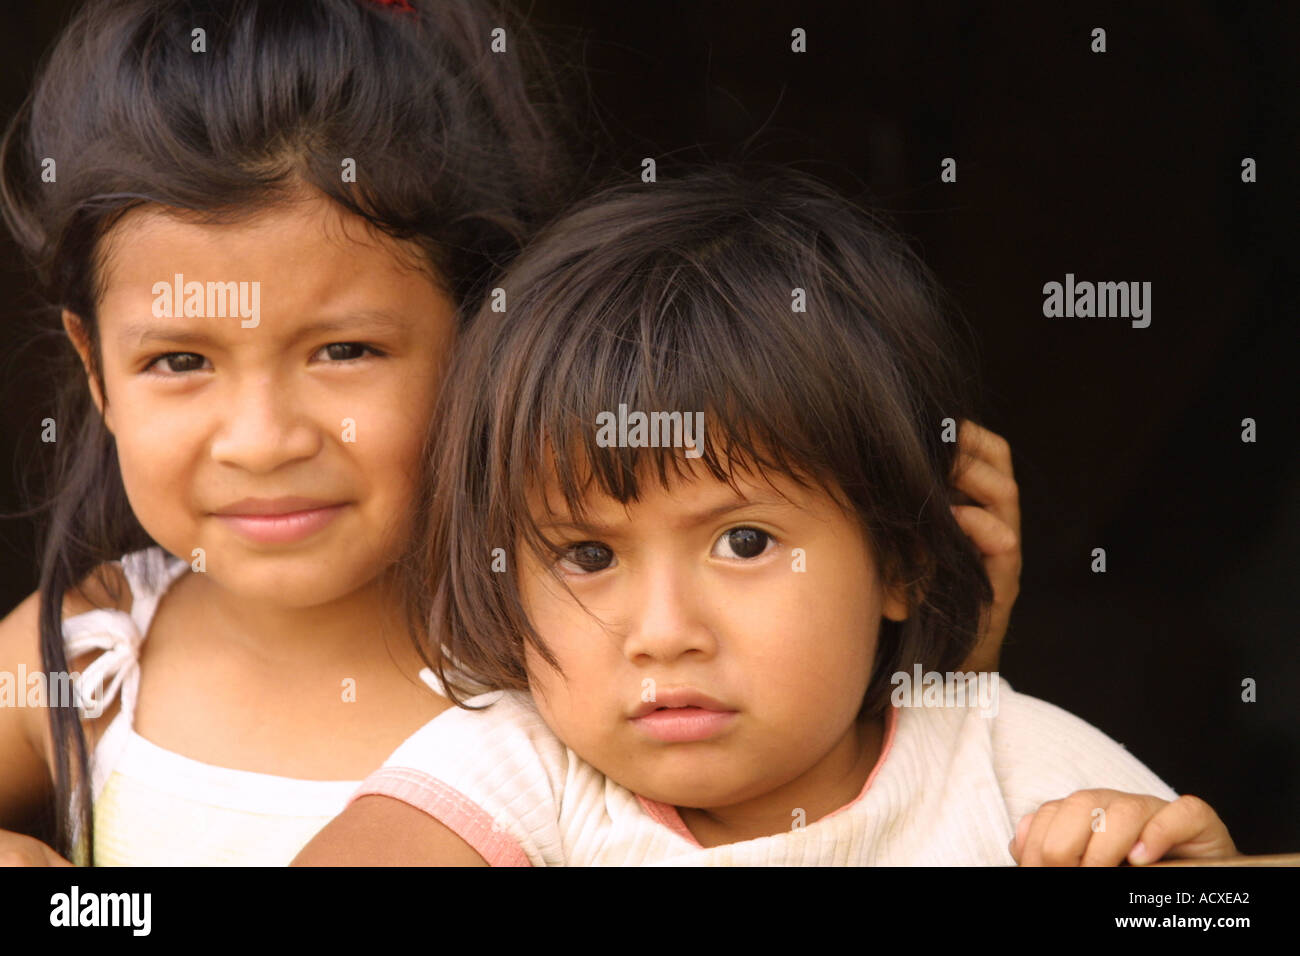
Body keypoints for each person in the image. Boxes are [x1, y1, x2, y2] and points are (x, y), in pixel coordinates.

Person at [294, 167, 1233, 865]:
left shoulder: (998, 757)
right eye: (586, 555)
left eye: (744, 542)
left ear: (901, 556)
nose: (664, 635)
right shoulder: (524, 765)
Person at [0, 0, 575, 866]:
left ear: (478, 334)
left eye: (344, 350)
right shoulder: (89, 649)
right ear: (95, 370)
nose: (263, 442)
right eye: (182, 361)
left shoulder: (578, 674)